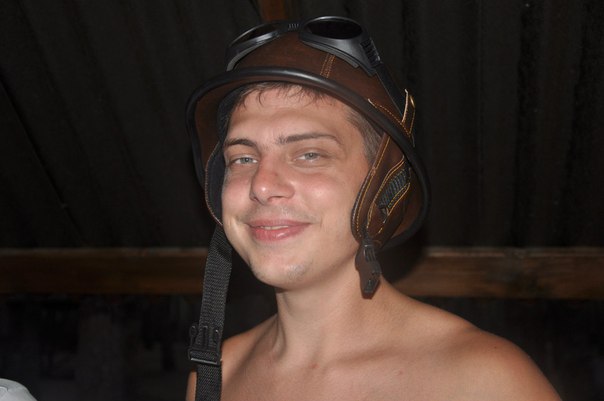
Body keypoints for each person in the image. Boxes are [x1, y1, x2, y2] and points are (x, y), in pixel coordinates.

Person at [184, 16, 561, 401]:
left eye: (310, 155)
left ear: (382, 185)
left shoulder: (484, 380)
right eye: (243, 159)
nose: (262, 186)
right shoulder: (217, 372)